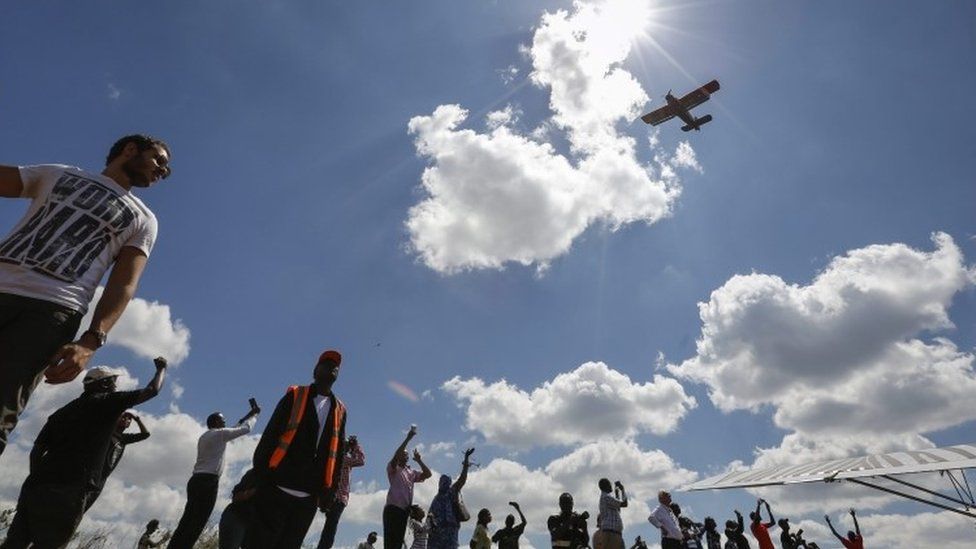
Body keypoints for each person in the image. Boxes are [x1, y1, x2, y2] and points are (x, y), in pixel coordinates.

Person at [0, 134, 171, 456]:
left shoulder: (143, 218)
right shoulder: (59, 174)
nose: (163, 170)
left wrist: (91, 339)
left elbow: (124, 284)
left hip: (52, 312)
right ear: (130, 150)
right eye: (158, 160)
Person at [1, 357, 167, 548]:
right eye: (114, 382)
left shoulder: (61, 412)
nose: (115, 387)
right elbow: (152, 391)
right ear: (104, 383)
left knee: (14, 544)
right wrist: (161, 369)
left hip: (35, 486)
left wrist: (38, 478)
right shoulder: (108, 402)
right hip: (71, 490)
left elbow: (36, 451)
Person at [245, 349, 348, 548]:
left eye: (335, 365)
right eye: (326, 363)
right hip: (276, 488)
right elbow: (270, 435)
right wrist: (260, 476)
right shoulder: (295, 396)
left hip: (307, 499)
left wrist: (331, 491)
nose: (332, 367)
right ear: (315, 370)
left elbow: (339, 454)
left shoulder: (340, 410)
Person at [169, 402, 261, 549]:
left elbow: (233, 428)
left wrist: (247, 416)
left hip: (196, 480)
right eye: (222, 419)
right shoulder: (220, 434)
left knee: (187, 520)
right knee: (198, 521)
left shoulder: (208, 435)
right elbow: (245, 429)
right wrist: (255, 416)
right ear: (217, 422)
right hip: (208, 482)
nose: (224, 421)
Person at [85, 411, 151, 510]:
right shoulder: (106, 432)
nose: (126, 420)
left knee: (86, 505)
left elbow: (145, 434)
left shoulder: (124, 439)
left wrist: (137, 419)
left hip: (103, 478)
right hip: (91, 474)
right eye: (123, 417)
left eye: (129, 419)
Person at [384, 426, 432, 549]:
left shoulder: (410, 472)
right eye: (402, 454)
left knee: (398, 543)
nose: (405, 456)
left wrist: (419, 461)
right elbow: (395, 456)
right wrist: (408, 438)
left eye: (406, 455)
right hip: (393, 509)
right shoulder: (393, 469)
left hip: (404, 511)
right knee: (390, 543)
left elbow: (428, 474)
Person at [318, 434, 366, 549]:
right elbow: (360, 461)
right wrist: (356, 446)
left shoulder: (336, 458)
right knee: (331, 527)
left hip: (331, 495)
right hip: (338, 498)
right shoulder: (343, 459)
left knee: (329, 526)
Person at [428, 447, 475, 549]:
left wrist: (466, 459)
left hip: (450, 532)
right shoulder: (436, 499)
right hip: (437, 535)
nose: (444, 483)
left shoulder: (451, 492)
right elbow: (430, 517)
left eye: (446, 481)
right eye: (443, 481)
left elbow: (462, 479)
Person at [218, 469, 259, 549]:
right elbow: (236, 497)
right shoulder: (255, 473)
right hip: (237, 516)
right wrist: (252, 492)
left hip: (257, 524)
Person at [594, 479, 627, 549]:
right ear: (605, 486)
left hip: (614, 532)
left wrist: (617, 493)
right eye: (609, 484)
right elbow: (624, 504)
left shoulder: (606, 497)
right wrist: (623, 489)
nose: (611, 485)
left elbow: (618, 509)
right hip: (611, 533)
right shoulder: (606, 497)